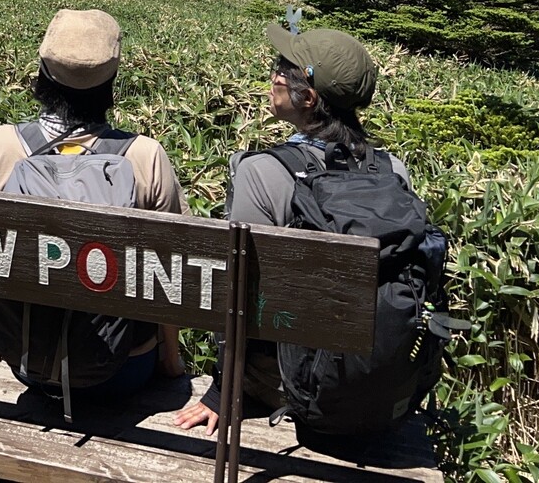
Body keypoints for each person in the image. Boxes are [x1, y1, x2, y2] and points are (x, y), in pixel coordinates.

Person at [174, 22, 407, 434]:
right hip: (376, 377)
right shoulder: (393, 171)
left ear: (309, 97)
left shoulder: (262, 173)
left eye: (283, 69)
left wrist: (222, 392)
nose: (273, 76)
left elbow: (239, 296)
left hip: (286, 385)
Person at [0, 8, 187, 395]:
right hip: (124, 366)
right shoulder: (145, 154)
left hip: (24, 358)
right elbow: (169, 274)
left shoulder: (1, 144)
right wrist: (171, 362)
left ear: (41, 73)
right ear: (111, 80)